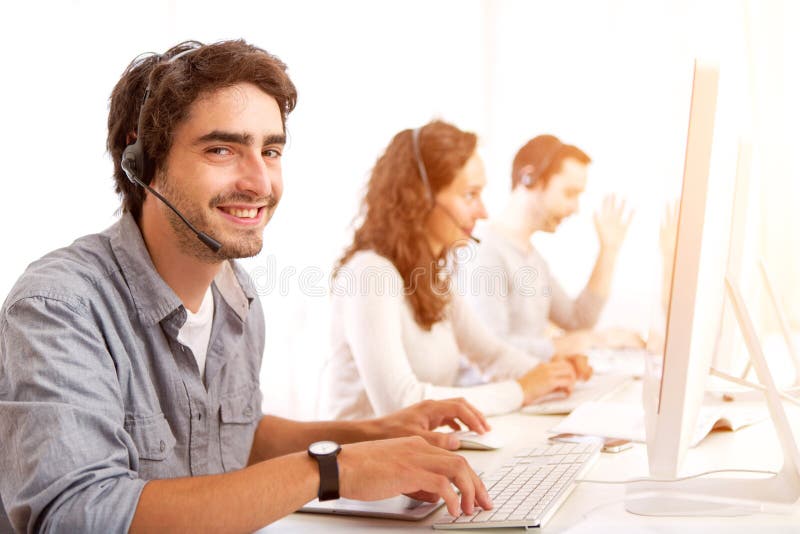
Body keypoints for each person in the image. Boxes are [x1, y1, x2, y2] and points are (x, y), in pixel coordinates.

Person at [0, 40, 495, 533]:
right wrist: (334, 470)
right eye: (222, 149)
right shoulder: (60, 305)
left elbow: (231, 435)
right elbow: (77, 516)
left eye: (271, 150)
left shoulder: (236, 294)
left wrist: (371, 435)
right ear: (143, 160)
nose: (260, 182)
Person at [321, 121, 591, 422]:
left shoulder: (433, 278)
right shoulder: (369, 274)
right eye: (470, 195)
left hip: (412, 455)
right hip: (359, 463)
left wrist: (551, 372)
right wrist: (521, 389)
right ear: (419, 197)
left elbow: (490, 355)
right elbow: (401, 404)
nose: (483, 212)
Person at [462, 134, 643, 361]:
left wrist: (609, 250)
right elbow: (491, 348)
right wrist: (581, 341)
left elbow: (578, 321)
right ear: (529, 178)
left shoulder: (534, 260)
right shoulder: (484, 251)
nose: (575, 208)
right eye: (569, 193)